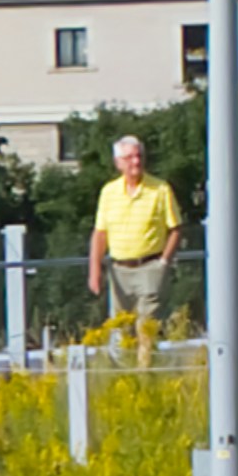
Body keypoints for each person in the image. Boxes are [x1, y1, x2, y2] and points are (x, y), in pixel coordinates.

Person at [83, 132, 184, 350]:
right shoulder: (109, 192)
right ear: (118, 162)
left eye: (139, 156)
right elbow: (100, 233)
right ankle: (127, 369)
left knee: (147, 329)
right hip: (119, 270)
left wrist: (163, 263)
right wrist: (95, 271)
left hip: (150, 267)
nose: (136, 162)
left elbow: (175, 229)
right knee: (121, 331)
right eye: (129, 158)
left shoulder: (160, 189)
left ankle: (146, 367)